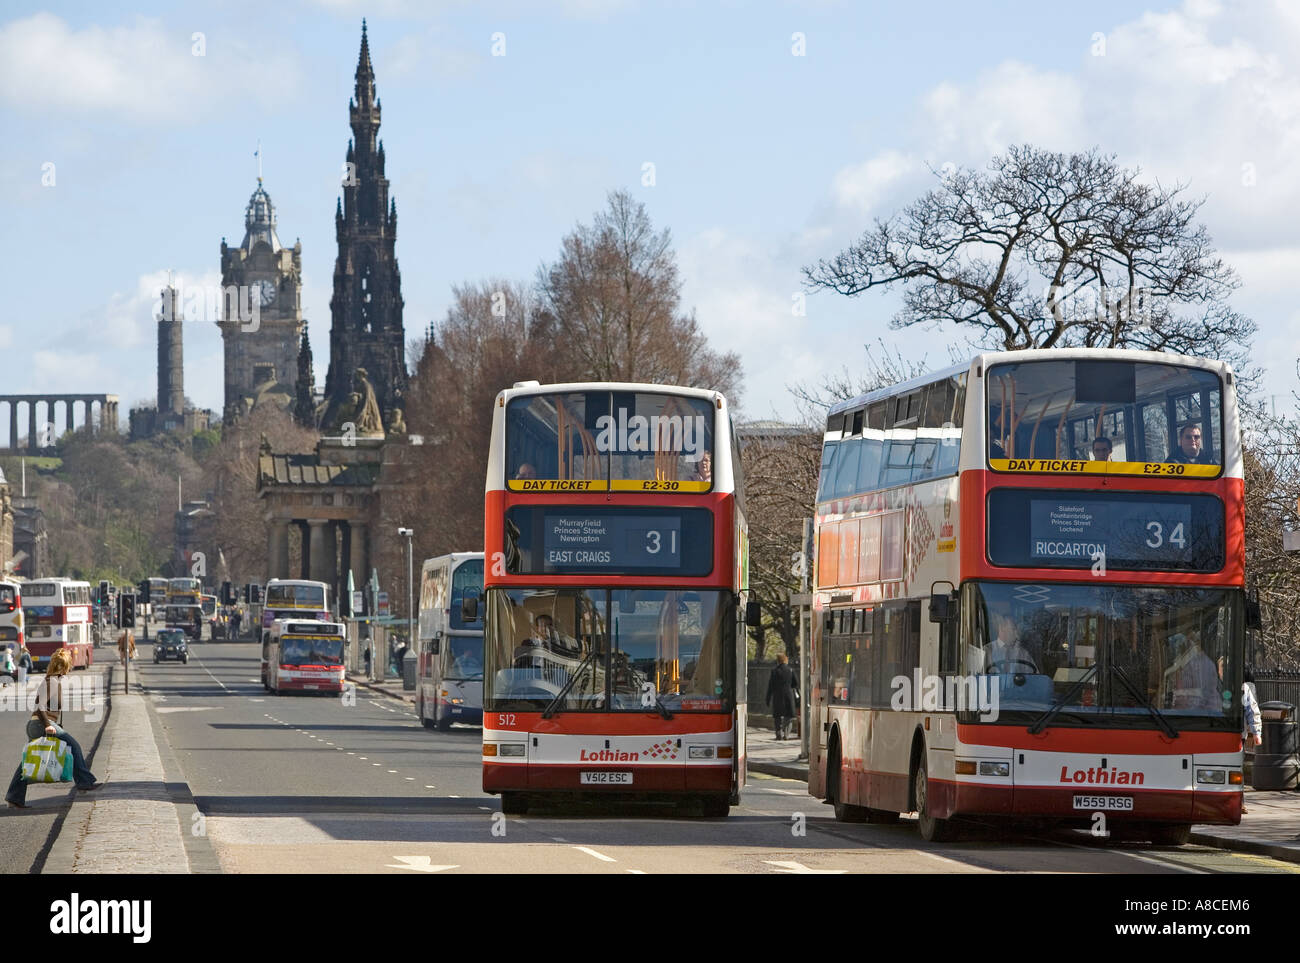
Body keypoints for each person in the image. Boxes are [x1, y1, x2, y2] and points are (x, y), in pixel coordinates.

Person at [6, 647, 102, 807]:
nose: (70, 668)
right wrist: (48, 726)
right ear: (63, 666)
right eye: (68, 665)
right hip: (41, 724)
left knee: (28, 761)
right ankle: (84, 783)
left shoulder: (52, 680)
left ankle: (14, 797)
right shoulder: (52, 682)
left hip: (37, 724)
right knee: (74, 746)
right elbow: (39, 706)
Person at [1162, 631, 1222, 711]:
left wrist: (1176, 695)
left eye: (1191, 641)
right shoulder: (1181, 662)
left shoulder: (1202, 664)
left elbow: (1200, 697)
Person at [766, 653, 798, 740]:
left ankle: (778, 733)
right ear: (785, 660)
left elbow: (770, 686)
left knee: (777, 717)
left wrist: (768, 699)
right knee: (789, 716)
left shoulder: (774, 671)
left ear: (778, 661)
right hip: (788, 695)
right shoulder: (790, 670)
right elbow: (795, 683)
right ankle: (786, 734)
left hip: (777, 696)